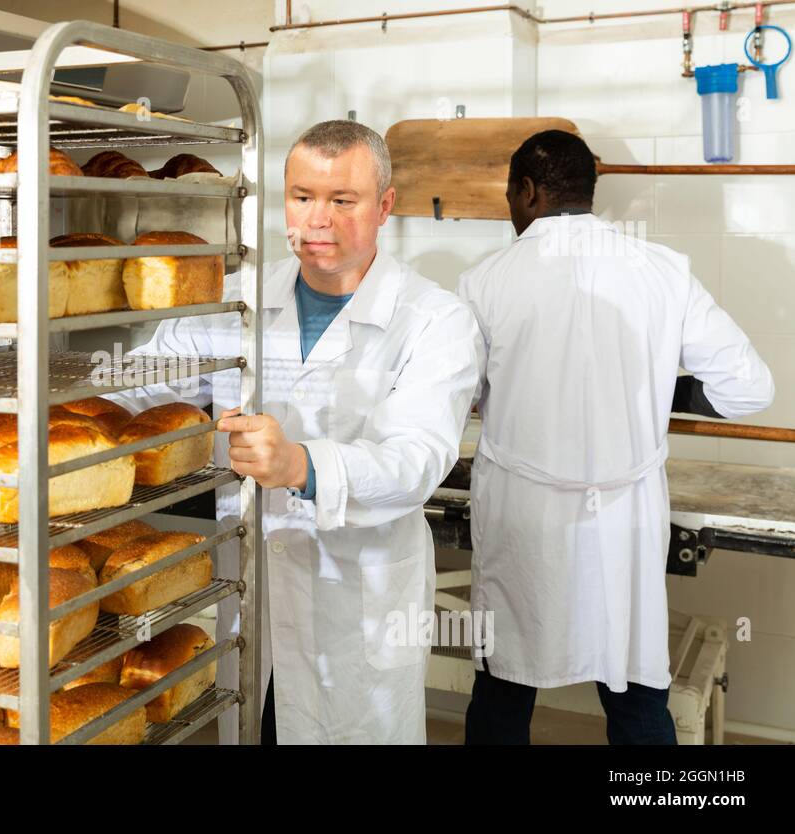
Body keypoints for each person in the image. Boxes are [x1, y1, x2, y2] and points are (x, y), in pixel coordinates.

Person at [112, 120, 484, 743]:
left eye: (343, 201)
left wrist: (300, 466)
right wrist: (51, 409)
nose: (318, 221)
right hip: (253, 587)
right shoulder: (238, 300)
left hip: (357, 606)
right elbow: (144, 383)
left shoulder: (434, 319)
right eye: (302, 197)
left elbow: (417, 460)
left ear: (384, 205)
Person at [457, 129, 775, 745]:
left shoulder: (486, 281)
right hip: (624, 525)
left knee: (503, 689)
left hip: (525, 522)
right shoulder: (662, 270)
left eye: (509, 197)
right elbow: (747, 390)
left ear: (526, 191)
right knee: (634, 689)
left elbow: (459, 395)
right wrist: (663, 394)